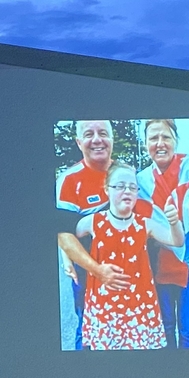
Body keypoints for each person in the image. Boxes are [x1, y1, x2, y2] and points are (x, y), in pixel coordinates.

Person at [59, 162, 184, 350]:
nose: (127, 191)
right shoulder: (93, 222)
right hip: (104, 304)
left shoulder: (145, 224)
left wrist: (174, 222)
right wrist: (65, 255)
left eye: (132, 187)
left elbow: (176, 241)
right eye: (119, 186)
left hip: (139, 304)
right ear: (107, 190)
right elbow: (64, 235)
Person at [138, 119, 189, 348]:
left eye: (166, 137)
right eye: (153, 138)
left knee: (188, 330)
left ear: (176, 141)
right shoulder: (140, 180)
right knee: (164, 328)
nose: (160, 143)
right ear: (145, 144)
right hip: (157, 264)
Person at [56, 120, 115, 349]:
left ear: (111, 138)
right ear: (79, 142)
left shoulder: (127, 174)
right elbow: (64, 235)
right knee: (87, 328)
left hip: (126, 271)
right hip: (87, 271)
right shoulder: (69, 180)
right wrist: (97, 270)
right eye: (89, 134)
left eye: (103, 133)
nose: (97, 139)